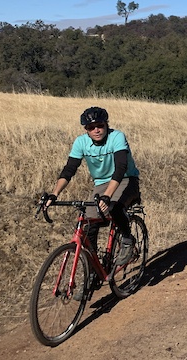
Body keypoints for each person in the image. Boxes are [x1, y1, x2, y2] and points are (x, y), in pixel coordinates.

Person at [43, 106, 141, 266]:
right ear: (86, 129)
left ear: (106, 124)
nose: (96, 130)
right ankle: (93, 267)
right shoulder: (81, 142)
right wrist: (54, 194)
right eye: (91, 127)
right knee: (89, 223)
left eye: (100, 125)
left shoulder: (117, 137)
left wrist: (107, 196)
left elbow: (120, 167)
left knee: (114, 207)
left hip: (126, 179)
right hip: (101, 183)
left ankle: (127, 240)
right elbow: (69, 170)